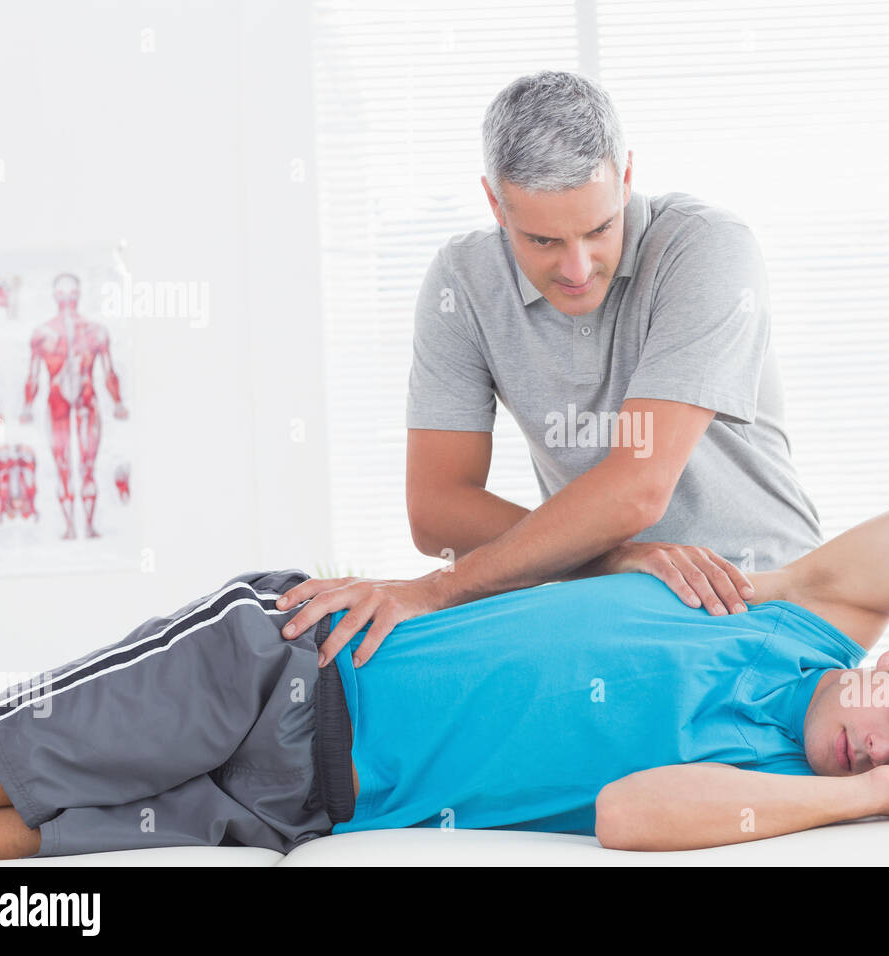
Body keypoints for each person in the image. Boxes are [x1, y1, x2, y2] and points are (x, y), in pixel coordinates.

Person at [0, 478, 889, 861]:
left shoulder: (774, 792)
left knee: (3, 837)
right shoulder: (800, 609)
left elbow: (629, 810)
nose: (876, 745)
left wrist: (877, 796)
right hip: (291, 661)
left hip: (292, 802)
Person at [301, 68, 824, 668]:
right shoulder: (463, 283)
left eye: (599, 229)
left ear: (626, 177)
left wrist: (439, 590)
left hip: (771, 607)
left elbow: (637, 490)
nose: (577, 267)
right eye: (543, 241)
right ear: (494, 202)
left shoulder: (706, 247)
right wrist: (615, 558)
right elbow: (437, 512)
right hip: (619, 614)